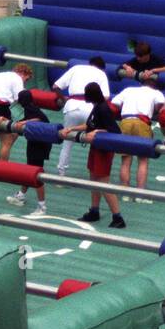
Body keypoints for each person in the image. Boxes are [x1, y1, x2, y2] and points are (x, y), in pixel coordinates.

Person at [59, 83, 125, 228]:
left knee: (103, 183)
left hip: (104, 150)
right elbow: (89, 125)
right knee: (93, 179)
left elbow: (115, 131)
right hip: (96, 148)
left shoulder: (103, 108)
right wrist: (70, 128)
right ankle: (94, 210)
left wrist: (98, 132)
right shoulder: (97, 107)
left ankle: (118, 217)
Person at [111, 76, 165, 196]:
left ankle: (125, 192)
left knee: (125, 160)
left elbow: (115, 103)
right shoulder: (156, 93)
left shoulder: (128, 90)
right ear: (154, 86)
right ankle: (139, 193)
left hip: (125, 121)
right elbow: (160, 107)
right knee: (143, 160)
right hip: (142, 123)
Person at [52, 56, 110, 176]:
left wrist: (63, 99)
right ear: (102, 68)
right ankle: (96, 173)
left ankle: (61, 174)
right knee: (96, 139)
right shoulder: (101, 74)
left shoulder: (76, 68)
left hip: (71, 106)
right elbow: (106, 97)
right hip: (90, 108)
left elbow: (55, 86)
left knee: (67, 140)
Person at [4, 91, 53, 214]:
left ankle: (42, 206)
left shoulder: (31, 109)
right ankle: (21, 195)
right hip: (36, 143)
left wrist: (24, 123)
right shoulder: (31, 108)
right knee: (29, 171)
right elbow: (29, 119)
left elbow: (38, 119)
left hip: (39, 144)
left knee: (36, 174)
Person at [0, 63, 33, 162]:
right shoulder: (17, 78)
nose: (25, 81)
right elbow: (19, 97)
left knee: (14, 132)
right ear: (23, 73)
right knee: (6, 142)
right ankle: (2, 166)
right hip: (0, 107)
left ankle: (1, 160)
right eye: (27, 79)